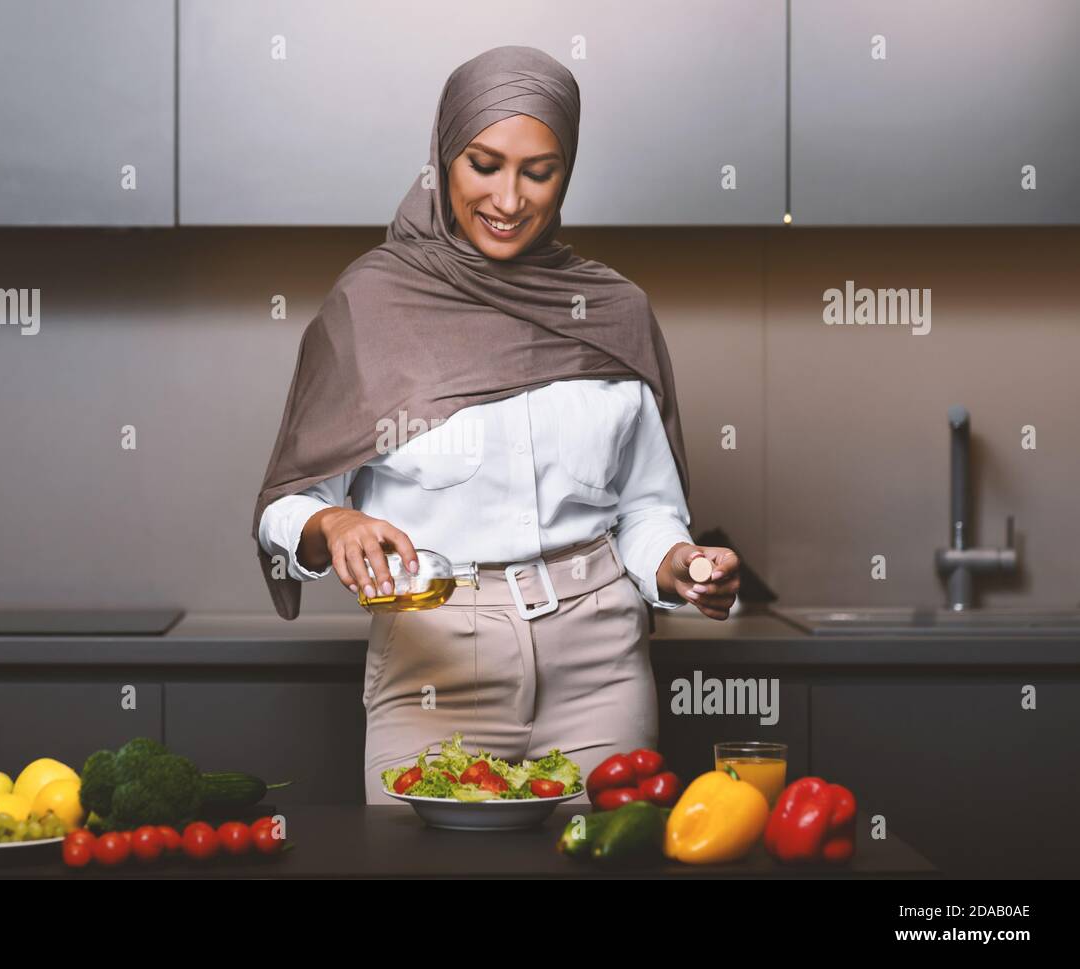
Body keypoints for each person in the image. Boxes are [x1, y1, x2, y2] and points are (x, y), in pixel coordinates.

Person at [252, 46, 739, 804]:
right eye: (484, 163)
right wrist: (337, 523)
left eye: (538, 171)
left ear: (565, 172)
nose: (509, 198)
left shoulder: (611, 312)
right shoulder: (371, 306)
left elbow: (643, 508)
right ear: (444, 158)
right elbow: (288, 503)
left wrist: (676, 565)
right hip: (431, 662)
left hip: (600, 666)